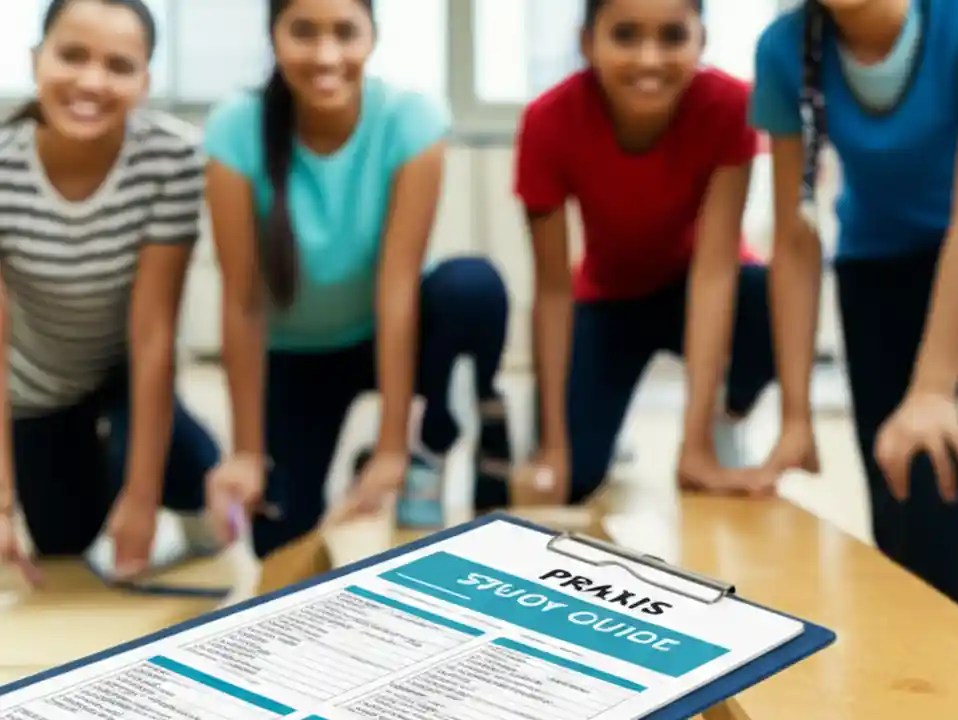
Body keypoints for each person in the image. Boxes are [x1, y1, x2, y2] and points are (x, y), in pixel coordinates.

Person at [751, 0, 958, 604]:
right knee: (908, 496)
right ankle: (954, 609)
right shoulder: (784, 49)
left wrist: (932, 388)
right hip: (882, 252)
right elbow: (794, 238)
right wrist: (795, 418)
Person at [201, 0, 511, 558]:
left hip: (381, 335)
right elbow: (241, 301)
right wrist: (247, 451)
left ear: (373, 36)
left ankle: (429, 439)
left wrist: (392, 450)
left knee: (471, 288)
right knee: (279, 540)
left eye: (346, 33)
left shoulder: (410, 119)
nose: (326, 56)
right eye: (303, 32)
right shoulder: (235, 128)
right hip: (294, 357)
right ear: (273, 35)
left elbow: (397, 288)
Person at [514, 0, 777, 504]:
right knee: (573, 478)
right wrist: (553, 447)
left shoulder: (731, 106)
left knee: (770, 296)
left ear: (702, 40)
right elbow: (551, 292)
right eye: (626, 36)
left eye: (673, 37)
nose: (649, 59)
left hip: (699, 286)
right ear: (587, 42)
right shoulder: (548, 120)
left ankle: (724, 416)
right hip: (608, 300)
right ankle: (597, 431)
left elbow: (714, 272)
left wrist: (695, 448)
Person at [0, 0, 220, 584]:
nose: (92, 82)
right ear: (36, 59)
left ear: (145, 81)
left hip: (123, 368)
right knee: (64, 543)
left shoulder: (173, 158)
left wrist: (142, 500)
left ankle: (195, 507)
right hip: (38, 388)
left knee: (184, 469)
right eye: (72, 56)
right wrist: (2, 503)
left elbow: (152, 335)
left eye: (119, 66)